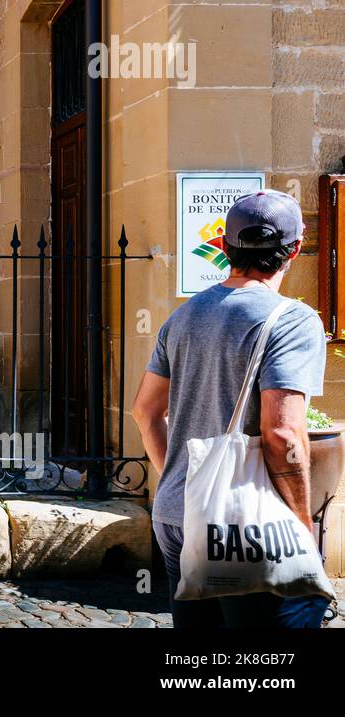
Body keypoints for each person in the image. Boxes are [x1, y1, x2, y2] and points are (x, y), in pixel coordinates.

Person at [131, 189, 331, 628]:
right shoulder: (294, 321)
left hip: (178, 513)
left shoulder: (182, 318)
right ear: (294, 249)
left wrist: (185, 480)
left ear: (224, 245)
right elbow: (283, 435)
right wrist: (301, 523)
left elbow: (145, 412)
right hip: (251, 522)